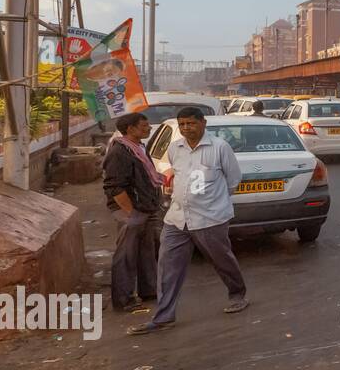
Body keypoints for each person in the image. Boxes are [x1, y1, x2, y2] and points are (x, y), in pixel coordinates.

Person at [128, 107, 249, 335]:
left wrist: (213, 202)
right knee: (167, 267)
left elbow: (233, 180)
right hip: (177, 218)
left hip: (210, 218)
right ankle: (164, 316)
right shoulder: (176, 148)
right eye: (182, 124)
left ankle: (237, 294)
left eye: (190, 124)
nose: (186, 128)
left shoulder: (220, 148)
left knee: (221, 259)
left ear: (203, 123)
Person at [102, 112, 161, 314]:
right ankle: (123, 298)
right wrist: (131, 213)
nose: (149, 129)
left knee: (147, 252)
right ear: (131, 129)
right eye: (144, 126)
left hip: (145, 208)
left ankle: (149, 290)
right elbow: (114, 186)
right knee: (126, 256)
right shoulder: (120, 152)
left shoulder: (138, 148)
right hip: (130, 210)